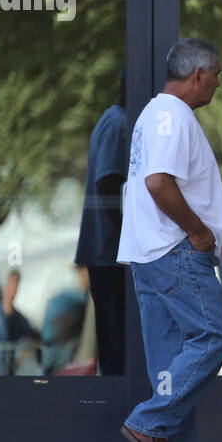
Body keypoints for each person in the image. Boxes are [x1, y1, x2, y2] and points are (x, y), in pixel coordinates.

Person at [117, 37, 222, 442]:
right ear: (198, 74)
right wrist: (198, 231)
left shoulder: (154, 113)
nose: (219, 84)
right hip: (175, 250)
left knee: (169, 355)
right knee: (213, 338)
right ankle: (150, 422)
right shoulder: (171, 116)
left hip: (151, 250)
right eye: (217, 75)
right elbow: (159, 183)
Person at [74, 66, 129, 375]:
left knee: (116, 342)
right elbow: (108, 185)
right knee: (117, 346)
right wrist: (129, 236)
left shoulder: (116, 122)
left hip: (108, 253)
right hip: (110, 255)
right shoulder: (119, 126)